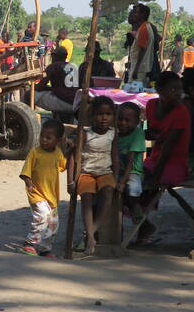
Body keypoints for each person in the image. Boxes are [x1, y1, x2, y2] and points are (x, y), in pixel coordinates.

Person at [131, 72, 191, 247]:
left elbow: (168, 148)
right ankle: (144, 224)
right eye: (173, 89)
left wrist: (155, 176)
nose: (178, 93)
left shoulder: (182, 112)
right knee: (128, 180)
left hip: (175, 163)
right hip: (155, 159)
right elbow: (152, 133)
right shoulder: (151, 106)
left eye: (180, 89)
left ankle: (143, 225)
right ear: (159, 90)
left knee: (141, 183)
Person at [66, 97, 119, 256]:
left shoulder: (113, 134)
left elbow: (115, 157)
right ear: (92, 116)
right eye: (100, 114)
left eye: (108, 114)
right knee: (87, 198)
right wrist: (70, 182)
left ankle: (90, 234)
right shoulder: (85, 133)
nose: (104, 118)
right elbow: (73, 158)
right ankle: (90, 237)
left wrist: (116, 178)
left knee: (108, 192)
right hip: (86, 172)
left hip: (105, 172)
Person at [18, 119, 69, 256]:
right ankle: (30, 243)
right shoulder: (35, 152)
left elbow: (64, 165)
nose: (43, 140)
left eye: (48, 137)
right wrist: (28, 183)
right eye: (42, 136)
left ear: (57, 140)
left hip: (51, 196)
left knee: (53, 224)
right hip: (36, 193)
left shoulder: (58, 153)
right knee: (42, 216)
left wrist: (71, 148)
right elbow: (25, 172)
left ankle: (45, 249)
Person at [115, 101, 147, 222]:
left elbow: (130, 160)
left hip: (133, 171)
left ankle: (135, 207)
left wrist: (123, 181)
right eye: (120, 119)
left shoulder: (138, 133)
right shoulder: (115, 133)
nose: (123, 123)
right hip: (118, 170)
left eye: (128, 120)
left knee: (132, 187)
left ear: (137, 122)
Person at [35, 45, 77, 118]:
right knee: (52, 93)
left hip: (63, 101)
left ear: (54, 56)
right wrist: (51, 88)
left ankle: (30, 120)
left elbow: (40, 87)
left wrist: (32, 86)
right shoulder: (74, 66)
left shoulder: (53, 66)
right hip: (75, 102)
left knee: (28, 95)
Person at [123, 3, 158, 84]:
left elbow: (142, 49)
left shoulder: (143, 29)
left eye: (136, 12)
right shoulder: (147, 26)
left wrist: (136, 69)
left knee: (133, 91)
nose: (134, 15)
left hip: (139, 68)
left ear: (142, 14)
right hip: (142, 66)